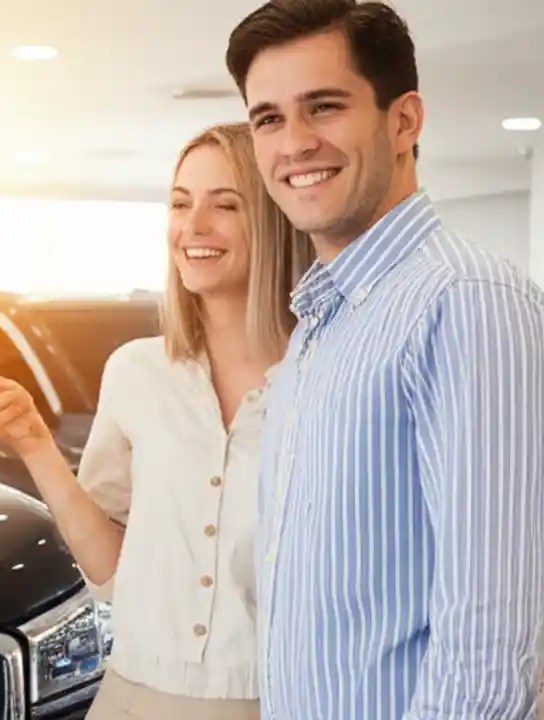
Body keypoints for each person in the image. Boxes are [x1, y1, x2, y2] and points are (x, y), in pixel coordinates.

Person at [225, 1, 544, 718]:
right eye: (268, 118)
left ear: (404, 122)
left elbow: (488, 646)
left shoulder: (464, 302)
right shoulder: (320, 323)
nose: (294, 143)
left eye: (324, 107)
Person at [0, 122, 313, 719]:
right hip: (134, 697)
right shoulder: (136, 372)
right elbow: (110, 572)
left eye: (225, 205)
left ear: (275, 221)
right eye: (181, 203)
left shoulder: (326, 379)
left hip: (283, 700)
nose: (193, 226)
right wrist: (34, 446)